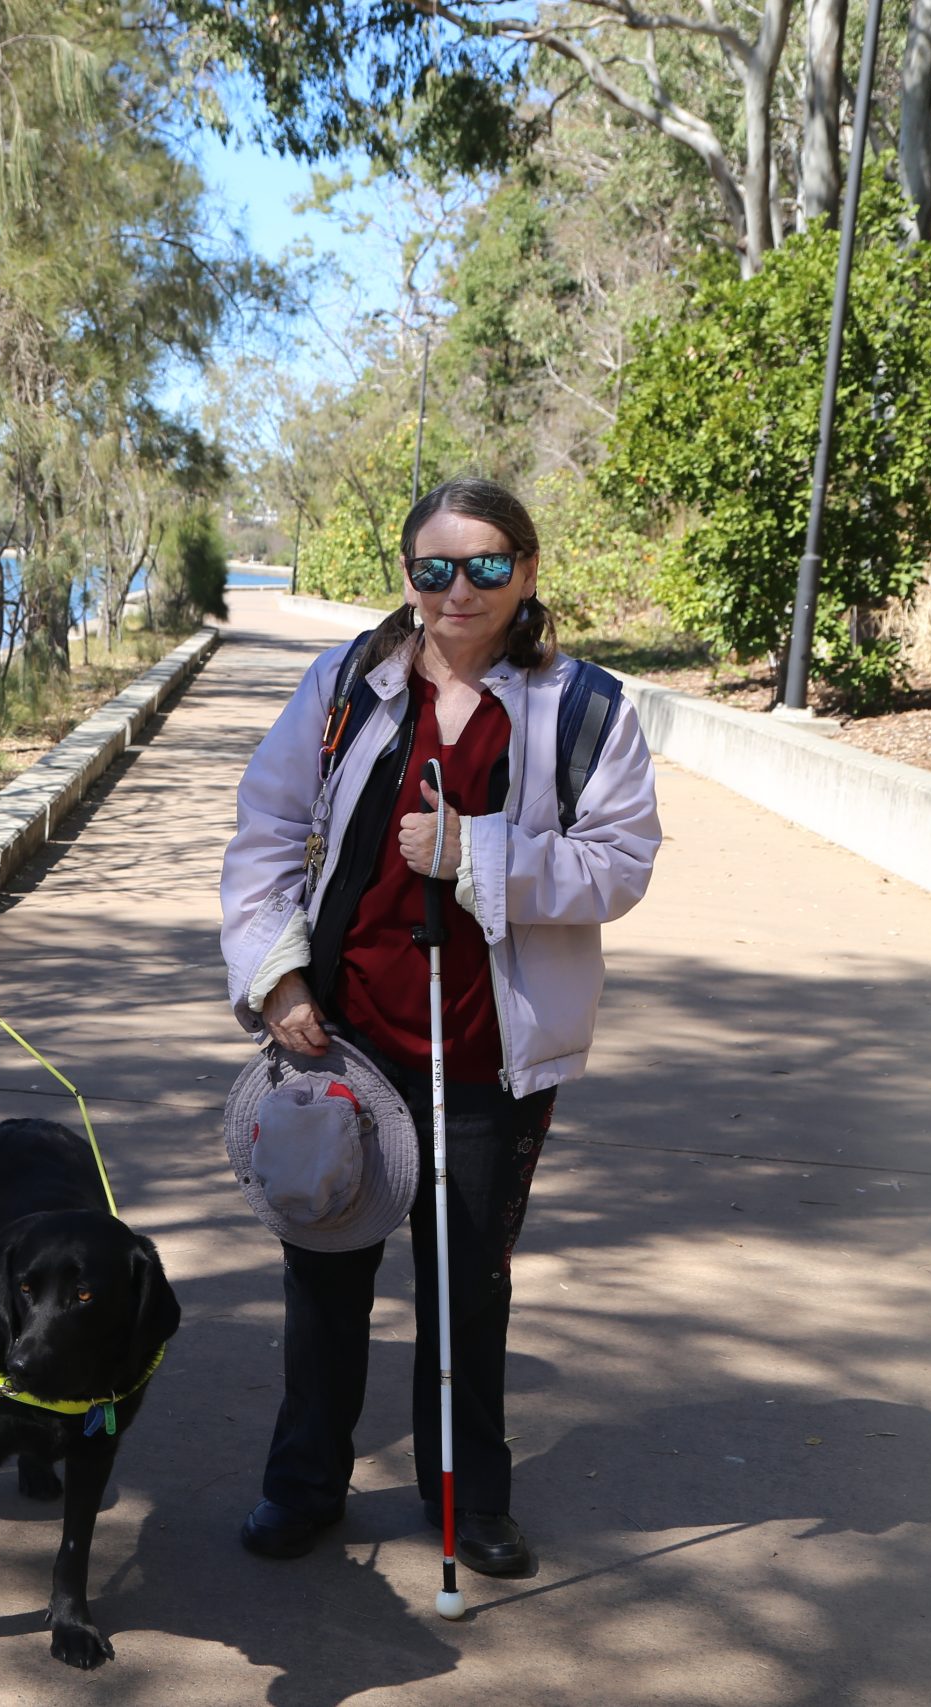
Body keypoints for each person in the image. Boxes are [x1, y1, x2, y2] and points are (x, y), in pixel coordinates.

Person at [218, 476, 662, 1577]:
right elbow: (265, 835)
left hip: (488, 1051)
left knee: (467, 1285)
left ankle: (468, 1498)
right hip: (344, 1035)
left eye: (485, 566)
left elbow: (621, 865)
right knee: (324, 1274)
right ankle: (303, 1485)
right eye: (433, 568)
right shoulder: (344, 688)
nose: (456, 590)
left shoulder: (585, 709)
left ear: (528, 569)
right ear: (406, 575)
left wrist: (477, 856)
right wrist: (276, 982)